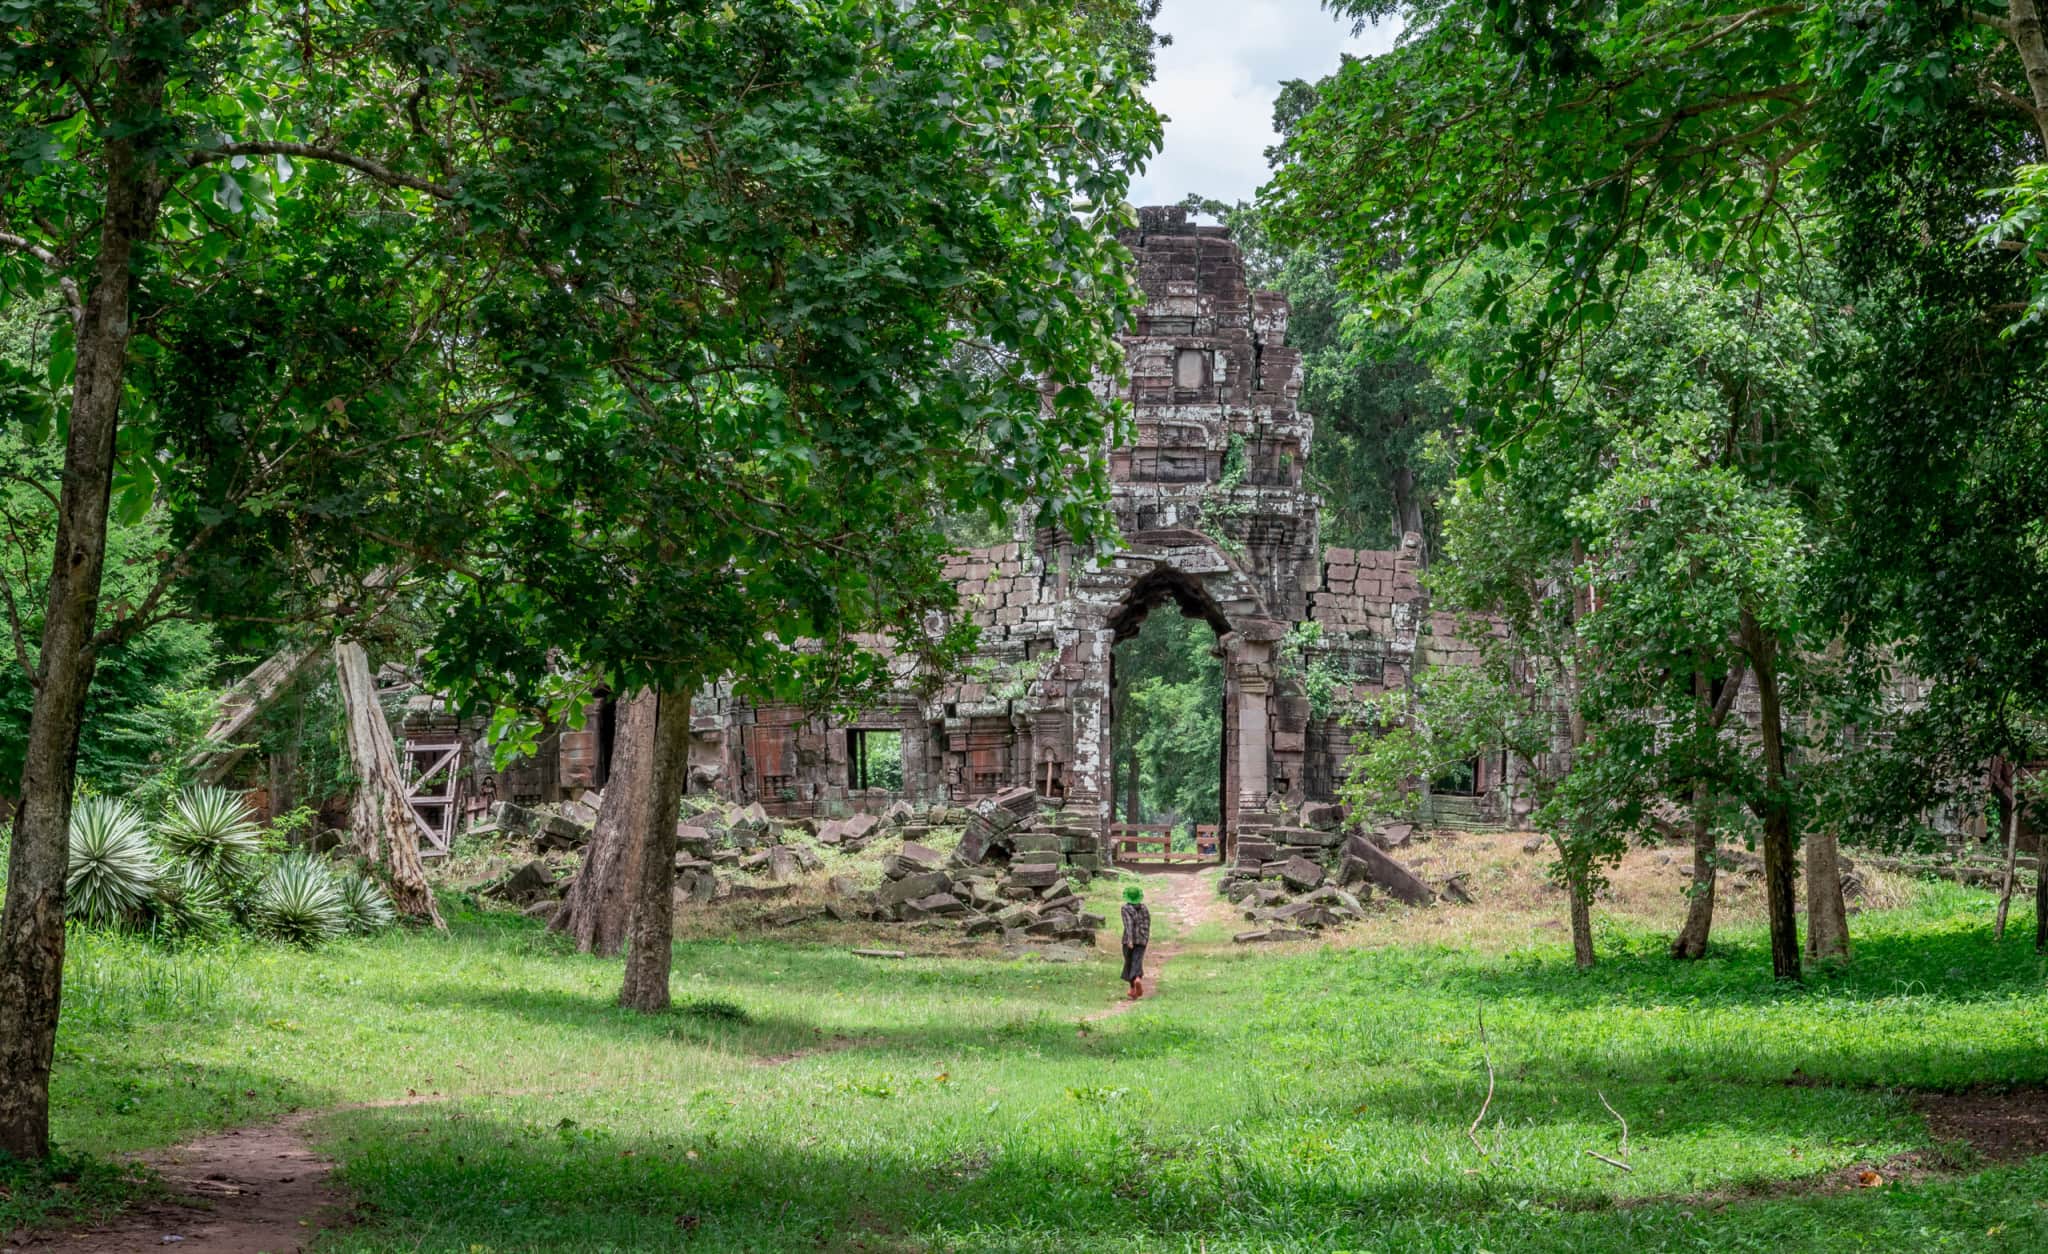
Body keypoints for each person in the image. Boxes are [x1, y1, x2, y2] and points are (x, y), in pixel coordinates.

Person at [1120, 884, 1151, 1000]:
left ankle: (1134, 983)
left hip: (1129, 940)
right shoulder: (1144, 908)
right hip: (1142, 939)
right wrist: (1145, 939)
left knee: (1129, 962)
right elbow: (1147, 924)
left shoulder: (1125, 908)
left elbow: (1128, 924)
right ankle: (1134, 985)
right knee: (1137, 961)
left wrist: (1129, 940)